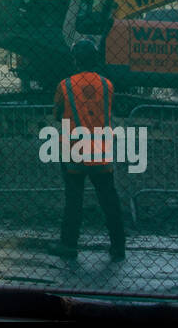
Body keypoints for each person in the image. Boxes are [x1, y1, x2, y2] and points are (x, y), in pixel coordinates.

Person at [49, 41, 126, 262]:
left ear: (75, 60)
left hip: (75, 151)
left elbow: (56, 114)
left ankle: (69, 244)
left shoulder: (65, 85)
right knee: (109, 198)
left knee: (74, 200)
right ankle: (118, 246)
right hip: (101, 150)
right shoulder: (107, 84)